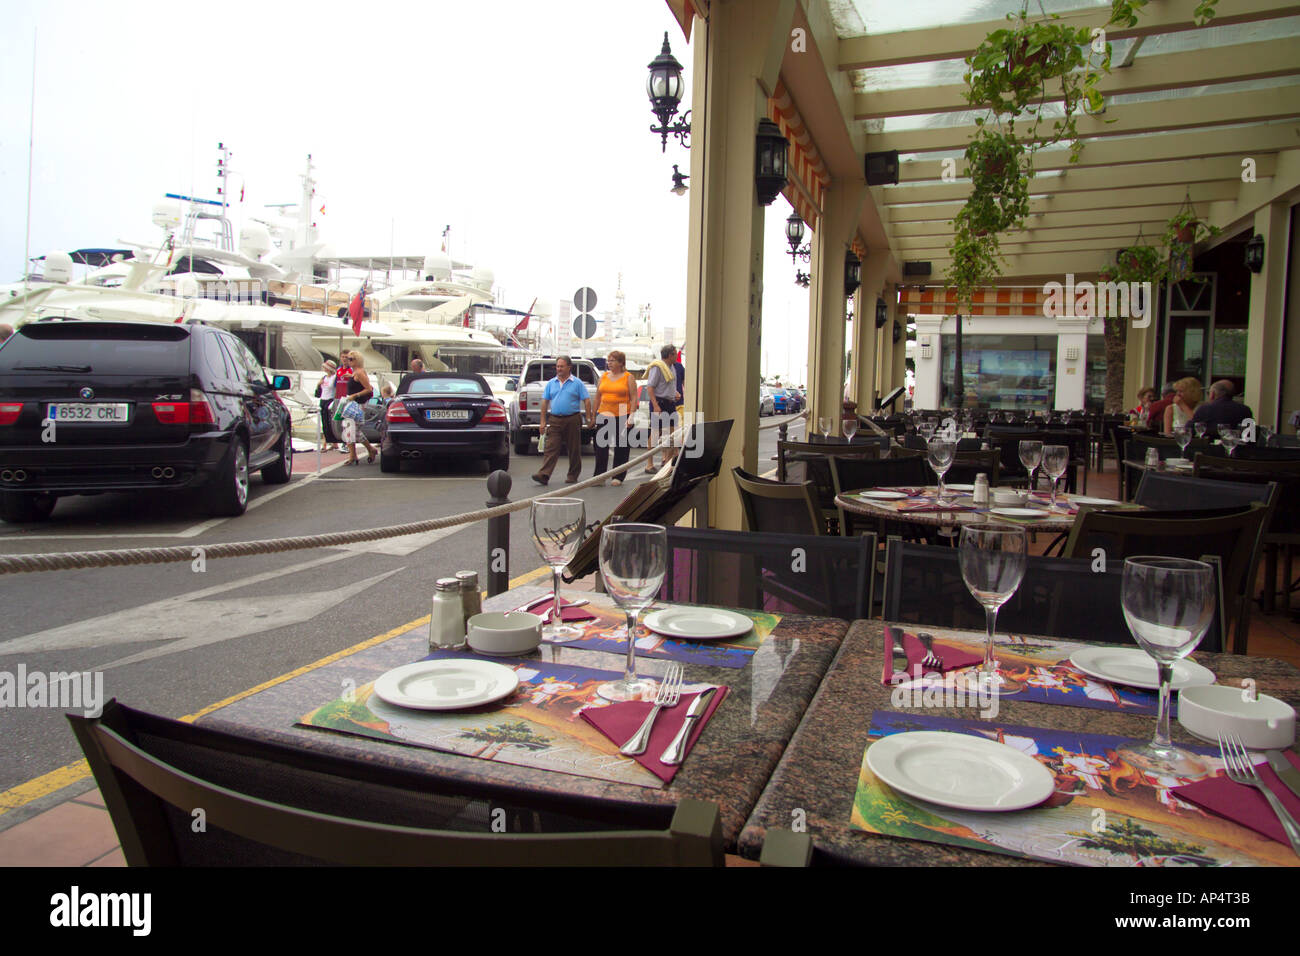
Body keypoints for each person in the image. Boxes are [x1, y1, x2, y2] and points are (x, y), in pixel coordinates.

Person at [532, 356, 591, 486]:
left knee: (574, 448)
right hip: (554, 419)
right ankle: (544, 474)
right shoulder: (551, 383)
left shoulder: (577, 383)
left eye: (561, 366)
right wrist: (542, 421)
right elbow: (545, 402)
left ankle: (572, 475)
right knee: (551, 447)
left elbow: (586, 400)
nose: (559, 369)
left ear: (569, 367)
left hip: (572, 419)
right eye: (557, 366)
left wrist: (588, 418)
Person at [590, 350, 638, 486]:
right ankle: (599, 476)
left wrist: (632, 416)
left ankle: (618, 476)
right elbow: (598, 396)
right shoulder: (604, 376)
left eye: (612, 361)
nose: (609, 363)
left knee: (621, 447)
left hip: (623, 413)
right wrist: (594, 415)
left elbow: (634, 397)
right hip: (604, 413)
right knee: (600, 446)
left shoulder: (628, 377)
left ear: (621, 362)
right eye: (608, 360)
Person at [645, 344, 682, 473]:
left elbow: (670, 386)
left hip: (670, 403)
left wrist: (675, 394)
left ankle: (668, 463)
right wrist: (655, 405)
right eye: (675, 354)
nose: (677, 356)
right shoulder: (658, 367)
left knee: (673, 433)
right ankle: (649, 464)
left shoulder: (673, 368)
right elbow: (650, 387)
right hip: (659, 403)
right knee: (655, 433)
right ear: (670, 355)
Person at [340, 352, 379, 465]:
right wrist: (350, 377)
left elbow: (369, 389)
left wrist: (355, 395)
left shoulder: (360, 372)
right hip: (354, 404)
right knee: (350, 429)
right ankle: (355, 454)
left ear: (357, 360)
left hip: (357, 405)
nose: (348, 361)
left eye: (351, 359)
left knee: (353, 430)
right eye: (348, 359)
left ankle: (366, 450)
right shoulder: (355, 372)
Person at [315, 360, 338, 452]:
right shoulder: (324, 377)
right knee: (324, 422)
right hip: (323, 400)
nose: (323, 368)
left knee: (330, 422)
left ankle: (331, 442)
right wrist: (318, 384)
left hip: (330, 399)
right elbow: (319, 390)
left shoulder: (334, 377)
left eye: (325, 367)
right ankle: (328, 443)